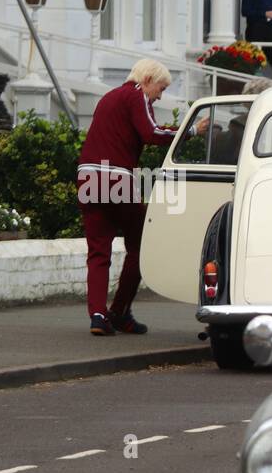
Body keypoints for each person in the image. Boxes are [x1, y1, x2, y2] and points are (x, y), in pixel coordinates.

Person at [76, 59, 209, 336]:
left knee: (98, 251)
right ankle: (120, 311)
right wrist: (192, 130)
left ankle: (98, 315)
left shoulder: (109, 97)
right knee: (140, 244)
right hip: (116, 177)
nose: (159, 95)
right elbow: (152, 133)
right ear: (147, 79)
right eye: (160, 88)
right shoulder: (136, 94)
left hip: (87, 176)